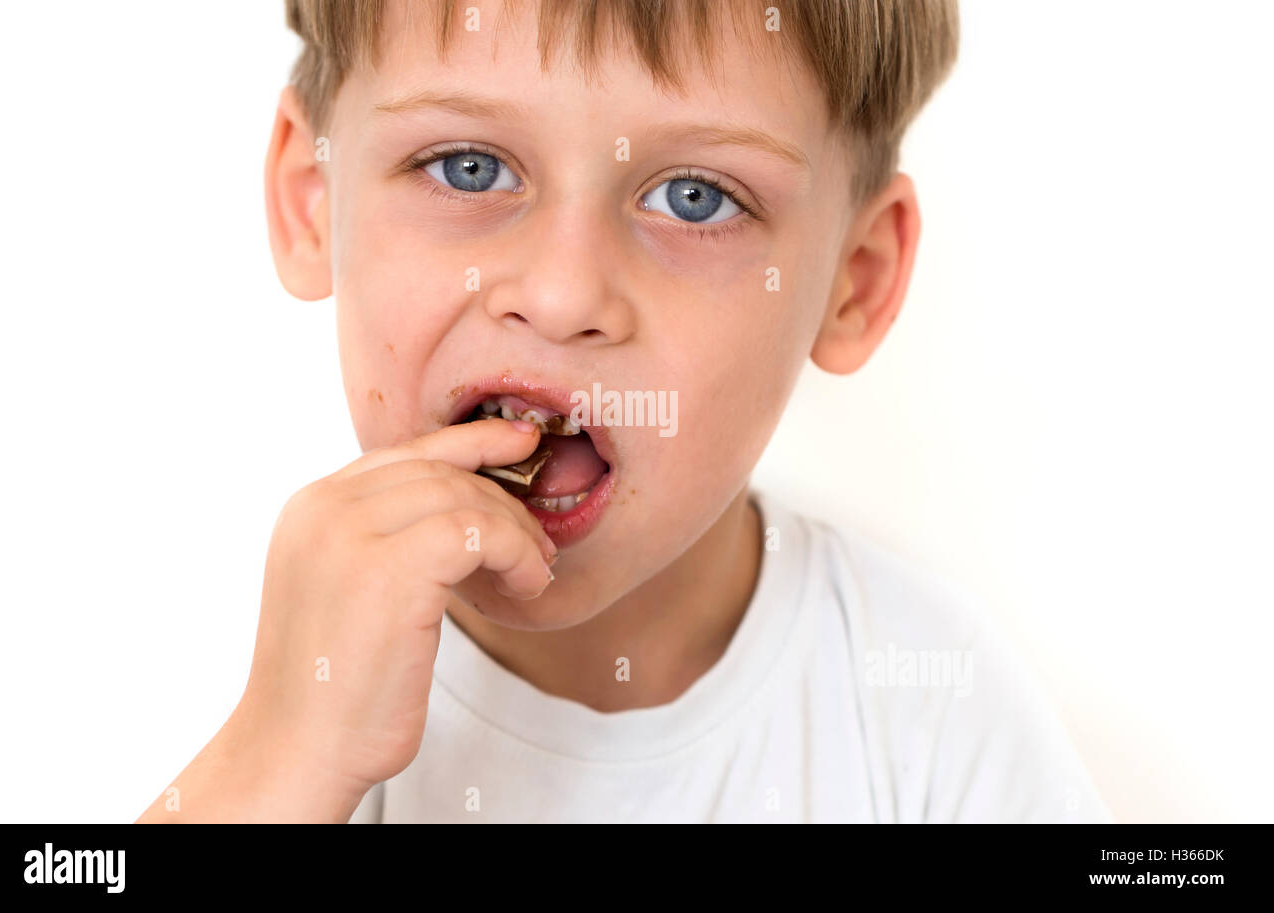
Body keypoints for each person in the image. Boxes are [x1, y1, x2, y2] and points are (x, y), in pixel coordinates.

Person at [138, 0, 1110, 823]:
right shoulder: (217, 673)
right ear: (313, 199)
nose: (561, 295)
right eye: (467, 167)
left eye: (694, 198)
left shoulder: (923, 703)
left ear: (851, 282)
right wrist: (274, 760)